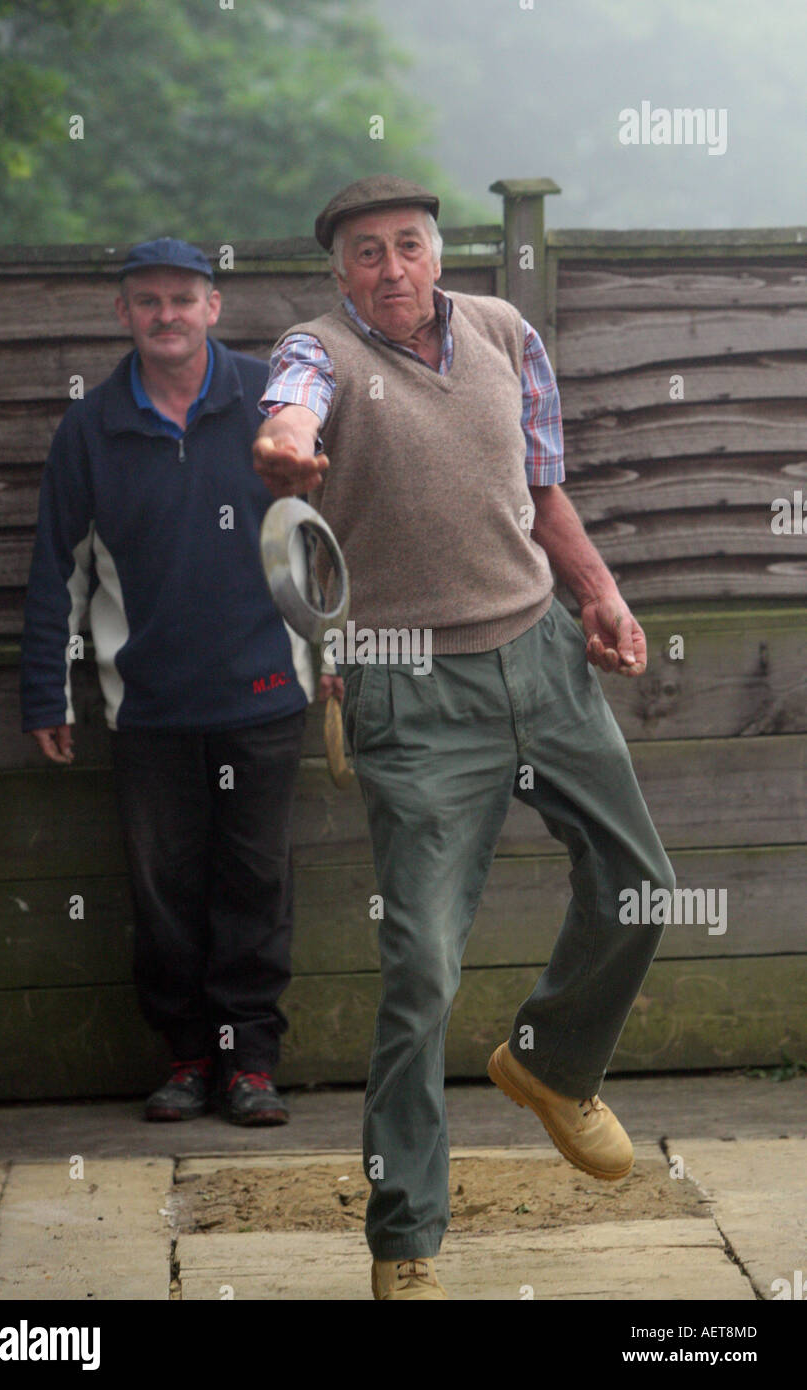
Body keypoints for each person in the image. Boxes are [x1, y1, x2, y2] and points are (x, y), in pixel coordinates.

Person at [252, 176, 676, 1298]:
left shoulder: (506, 333)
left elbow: (543, 494)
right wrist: (286, 443)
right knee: (421, 970)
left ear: (439, 254)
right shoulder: (317, 350)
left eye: (409, 245)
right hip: (410, 691)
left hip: (542, 656)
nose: (391, 268)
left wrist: (600, 595)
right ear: (339, 271)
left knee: (643, 885)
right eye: (366, 253)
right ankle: (406, 1241)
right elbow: (289, 409)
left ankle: (552, 1066)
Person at [21, 237, 314, 1126]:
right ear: (124, 313)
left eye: (183, 298)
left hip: (266, 694)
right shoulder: (90, 428)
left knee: (256, 888)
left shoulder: (273, 403)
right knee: (165, 895)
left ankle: (251, 1066)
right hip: (147, 708)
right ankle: (187, 1060)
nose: (166, 315)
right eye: (147, 301)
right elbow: (56, 572)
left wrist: (339, 660)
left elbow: (326, 539)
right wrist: (44, 692)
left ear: (213, 306)